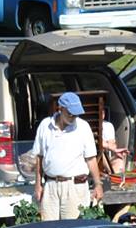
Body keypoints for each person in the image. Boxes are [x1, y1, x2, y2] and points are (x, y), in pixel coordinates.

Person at [33, 90, 102, 220]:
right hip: (51, 185)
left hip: (74, 186)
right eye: (70, 114)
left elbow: (91, 158)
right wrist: (38, 184)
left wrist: (98, 184)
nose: (73, 117)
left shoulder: (83, 127)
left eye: (76, 115)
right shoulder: (45, 126)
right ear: (60, 108)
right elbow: (39, 157)